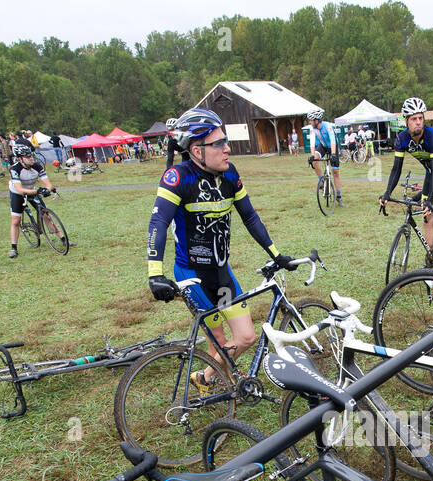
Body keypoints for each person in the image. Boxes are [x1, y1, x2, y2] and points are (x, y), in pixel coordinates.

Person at [146, 108, 298, 390]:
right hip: (192, 276)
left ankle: (204, 378)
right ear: (196, 150)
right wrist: (155, 273)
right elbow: (158, 221)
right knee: (217, 345)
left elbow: (250, 216)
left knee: (245, 337)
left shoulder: (230, 175)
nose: (228, 149)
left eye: (226, 141)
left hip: (221, 273)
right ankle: (222, 387)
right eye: (219, 144)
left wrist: (276, 255)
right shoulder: (178, 178)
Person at [379, 96, 433, 266]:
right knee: (427, 219)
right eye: (413, 119)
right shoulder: (402, 139)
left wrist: (430, 200)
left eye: (420, 118)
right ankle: (432, 258)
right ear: (406, 121)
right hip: (431, 175)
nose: (418, 122)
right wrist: (387, 193)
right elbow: (396, 169)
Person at [7, 141, 55, 258]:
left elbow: (48, 183)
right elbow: (19, 190)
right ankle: (14, 248)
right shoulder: (15, 169)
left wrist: (48, 189)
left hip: (32, 190)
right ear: (20, 159)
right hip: (17, 193)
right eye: (27, 157)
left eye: (31, 155)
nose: (31, 158)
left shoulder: (37, 166)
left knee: (46, 215)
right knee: (15, 221)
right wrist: (38, 191)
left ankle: (63, 239)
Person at [305, 109, 343, 207]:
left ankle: (338, 195)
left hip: (332, 147)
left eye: (311, 120)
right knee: (314, 161)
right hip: (322, 146)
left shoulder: (328, 126)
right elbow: (312, 143)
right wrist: (313, 156)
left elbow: (333, 140)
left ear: (317, 120)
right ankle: (322, 181)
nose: (309, 122)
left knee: (335, 172)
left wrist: (333, 154)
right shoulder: (312, 128)